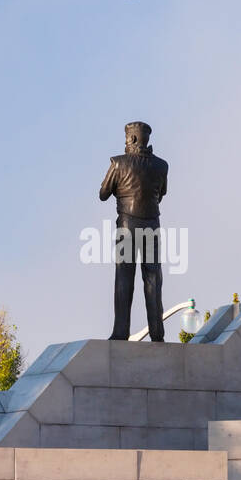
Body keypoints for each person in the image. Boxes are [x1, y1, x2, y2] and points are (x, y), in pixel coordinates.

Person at [100, 121, 169, 341]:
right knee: (153, 279)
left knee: (124, 278)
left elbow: (103, 193)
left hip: (127, 226)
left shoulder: (118, 163)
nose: (125, 141)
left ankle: (121, 332)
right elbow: (162, 193)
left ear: (133, 139)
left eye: (127, 137)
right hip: (152, 224)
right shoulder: (161, 166)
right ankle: (157, 332)